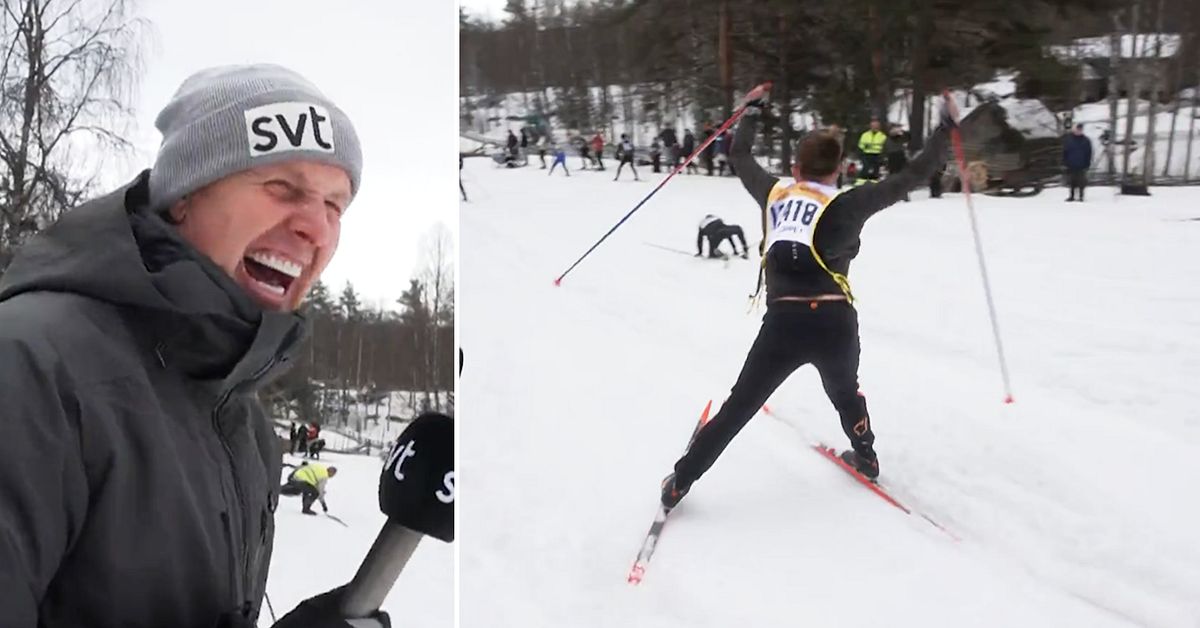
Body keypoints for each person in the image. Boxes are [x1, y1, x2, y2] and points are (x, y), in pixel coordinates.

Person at [0, 64, 383, 626]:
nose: (317, 230)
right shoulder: (29, 366)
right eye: (283, 188)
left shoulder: (244, 423)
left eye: (335, 206)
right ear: (185, 196)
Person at [661, 88, 955, 509]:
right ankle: (867, 457)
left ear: (796, 167)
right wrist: (945, 128)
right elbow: (912, 176)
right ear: (839, 169)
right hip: (835, 323)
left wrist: (752, 110)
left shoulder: (775, 192)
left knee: (740, 406)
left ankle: (681, 481)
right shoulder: (849, 203)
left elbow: (740, 157)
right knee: (845, 393)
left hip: (784, 324)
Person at [1063, 123, 1093, 202]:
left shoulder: (1086, 140)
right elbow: (1065, 152)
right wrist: (1065, 162)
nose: (1078, 131)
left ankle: (1081, 196)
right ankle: (1071, 196)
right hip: (1071, 163)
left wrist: (1087, 163)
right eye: (1077, 129)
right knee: (1072, 181)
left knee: (1081, 181)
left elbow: (1089, 153)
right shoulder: (1069, 140)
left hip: (1082, 164)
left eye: (1080, 130)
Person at [857, 116, 886, 181]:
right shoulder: (865, 135)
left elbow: (884, 147)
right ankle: (861, 182)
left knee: (876, 170)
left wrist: (883, 156)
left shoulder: (882, 136)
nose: (874, 127)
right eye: (873, 125)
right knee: (866, 168)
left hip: (877, 155)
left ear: (879, 126)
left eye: (876, 125)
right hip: (866, 154)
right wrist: (862, 150)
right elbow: (860, 145)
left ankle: (874, 183)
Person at [884, 126, 910, 201]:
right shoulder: (888, 140)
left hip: (900, 159)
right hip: (892, 159)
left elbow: (908, 137)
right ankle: (894, 195)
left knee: (902, 178)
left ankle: (903, 195)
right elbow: (885, 150)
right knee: (893, 178)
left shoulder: (901, 139)